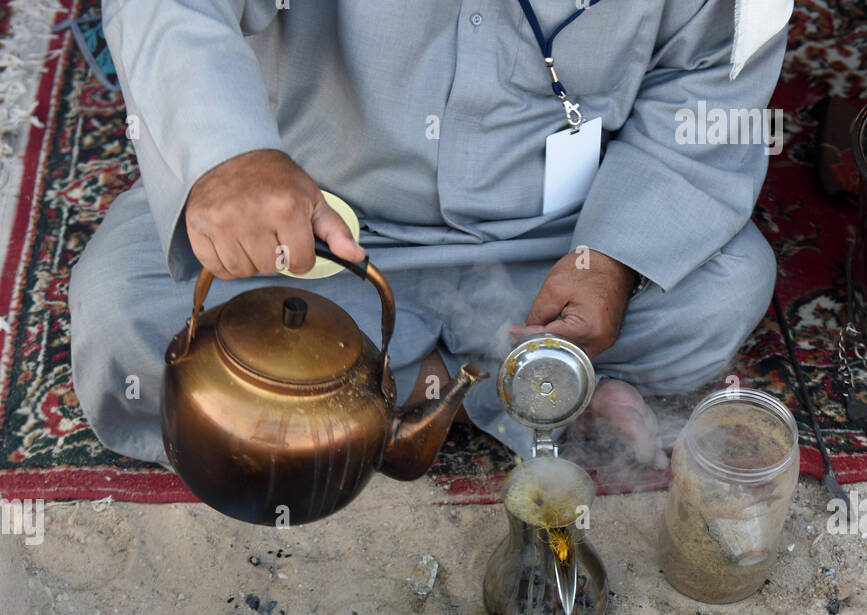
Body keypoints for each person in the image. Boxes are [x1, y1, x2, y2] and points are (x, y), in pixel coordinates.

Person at [70, 0, 792, 472]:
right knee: (123, 308)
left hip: (551, 242)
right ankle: (503, 390)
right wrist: (232, 160)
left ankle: (366, 397)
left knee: (723, 285)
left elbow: (709, 82)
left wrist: (611, 259)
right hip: (312, 229)